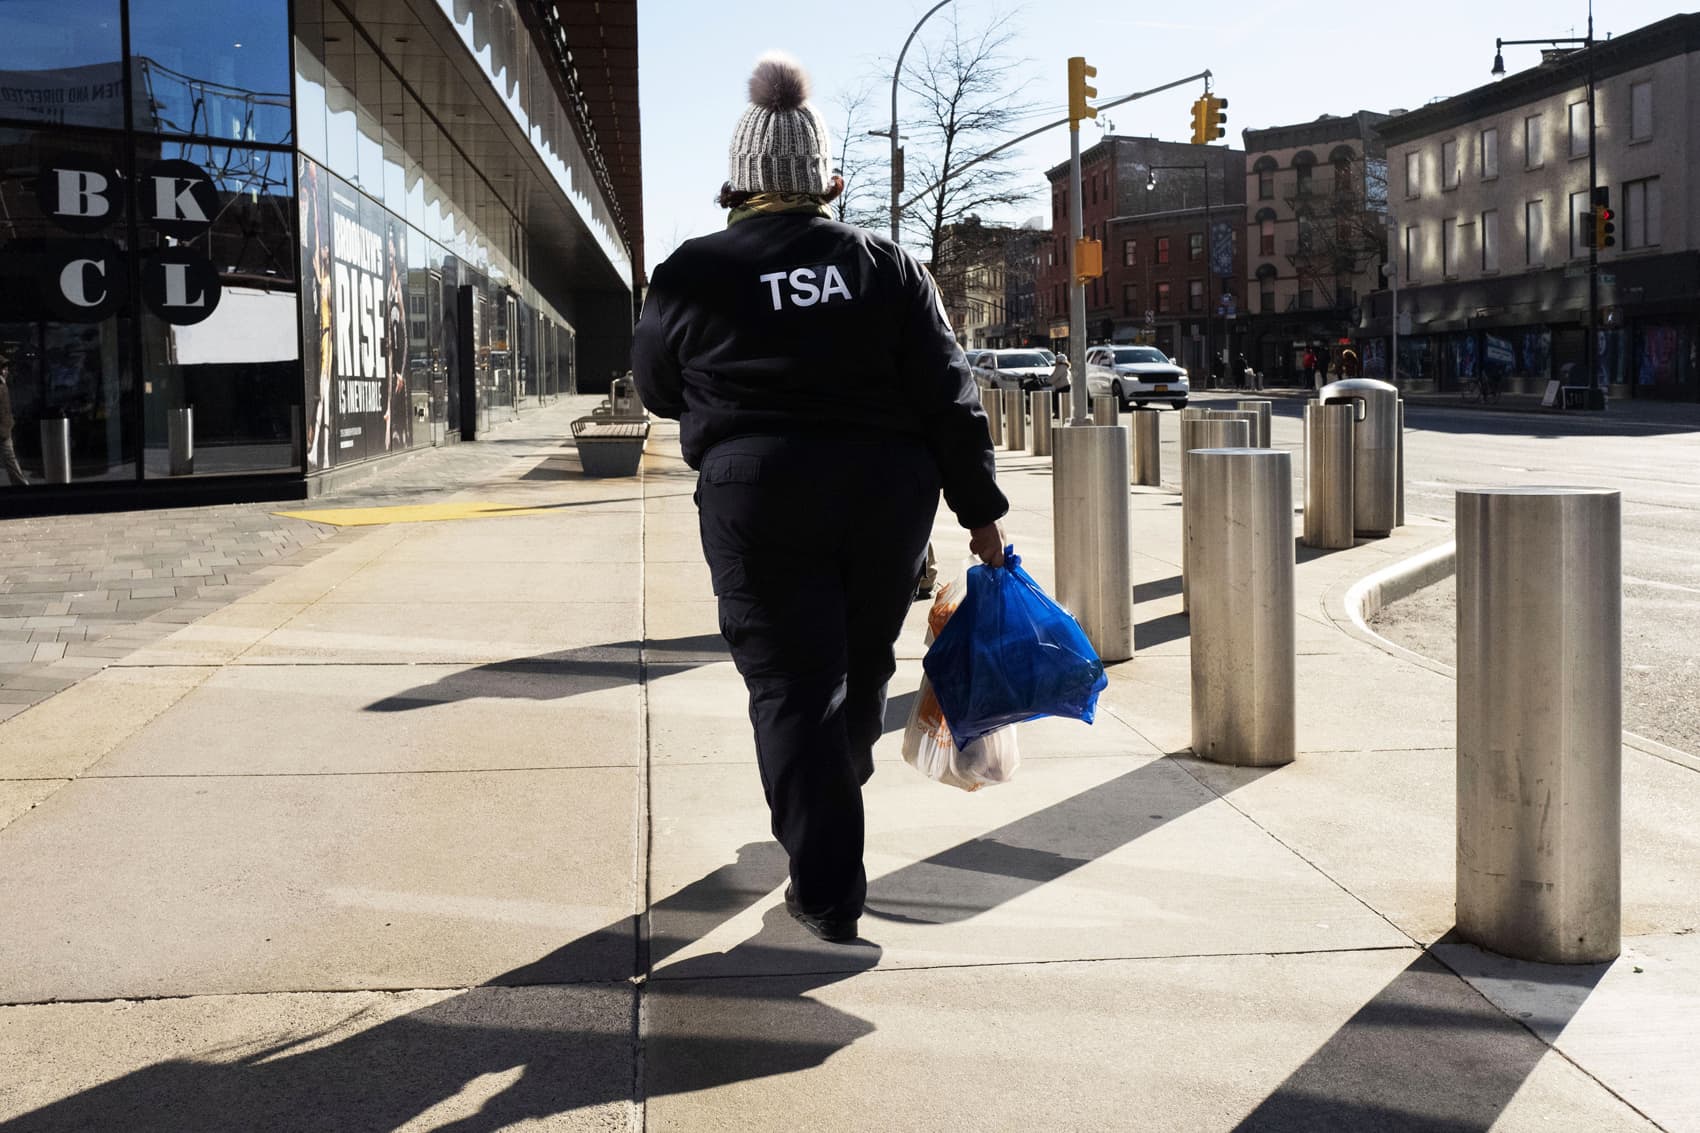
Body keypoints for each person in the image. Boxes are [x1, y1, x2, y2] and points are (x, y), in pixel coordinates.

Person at [633, 53, 1009, 945]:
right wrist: (983, 517)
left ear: (739, 182)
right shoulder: (888, 266)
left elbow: (655, 386)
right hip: (885, 498)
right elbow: (950, 398)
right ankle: (825, 815)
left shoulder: (692, 270)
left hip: (757, 497)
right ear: (826, 179)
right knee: (859, 667)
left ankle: (828, 879)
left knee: (795, 687)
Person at [1, 356, 29, 486]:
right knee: (10, 460)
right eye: (4, 368)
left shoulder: (3, 383)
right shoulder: (1, 385)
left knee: (10, 460)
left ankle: (21, 485)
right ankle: (22, 486)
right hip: (3, 431)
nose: (6, 371)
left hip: (4, 429)